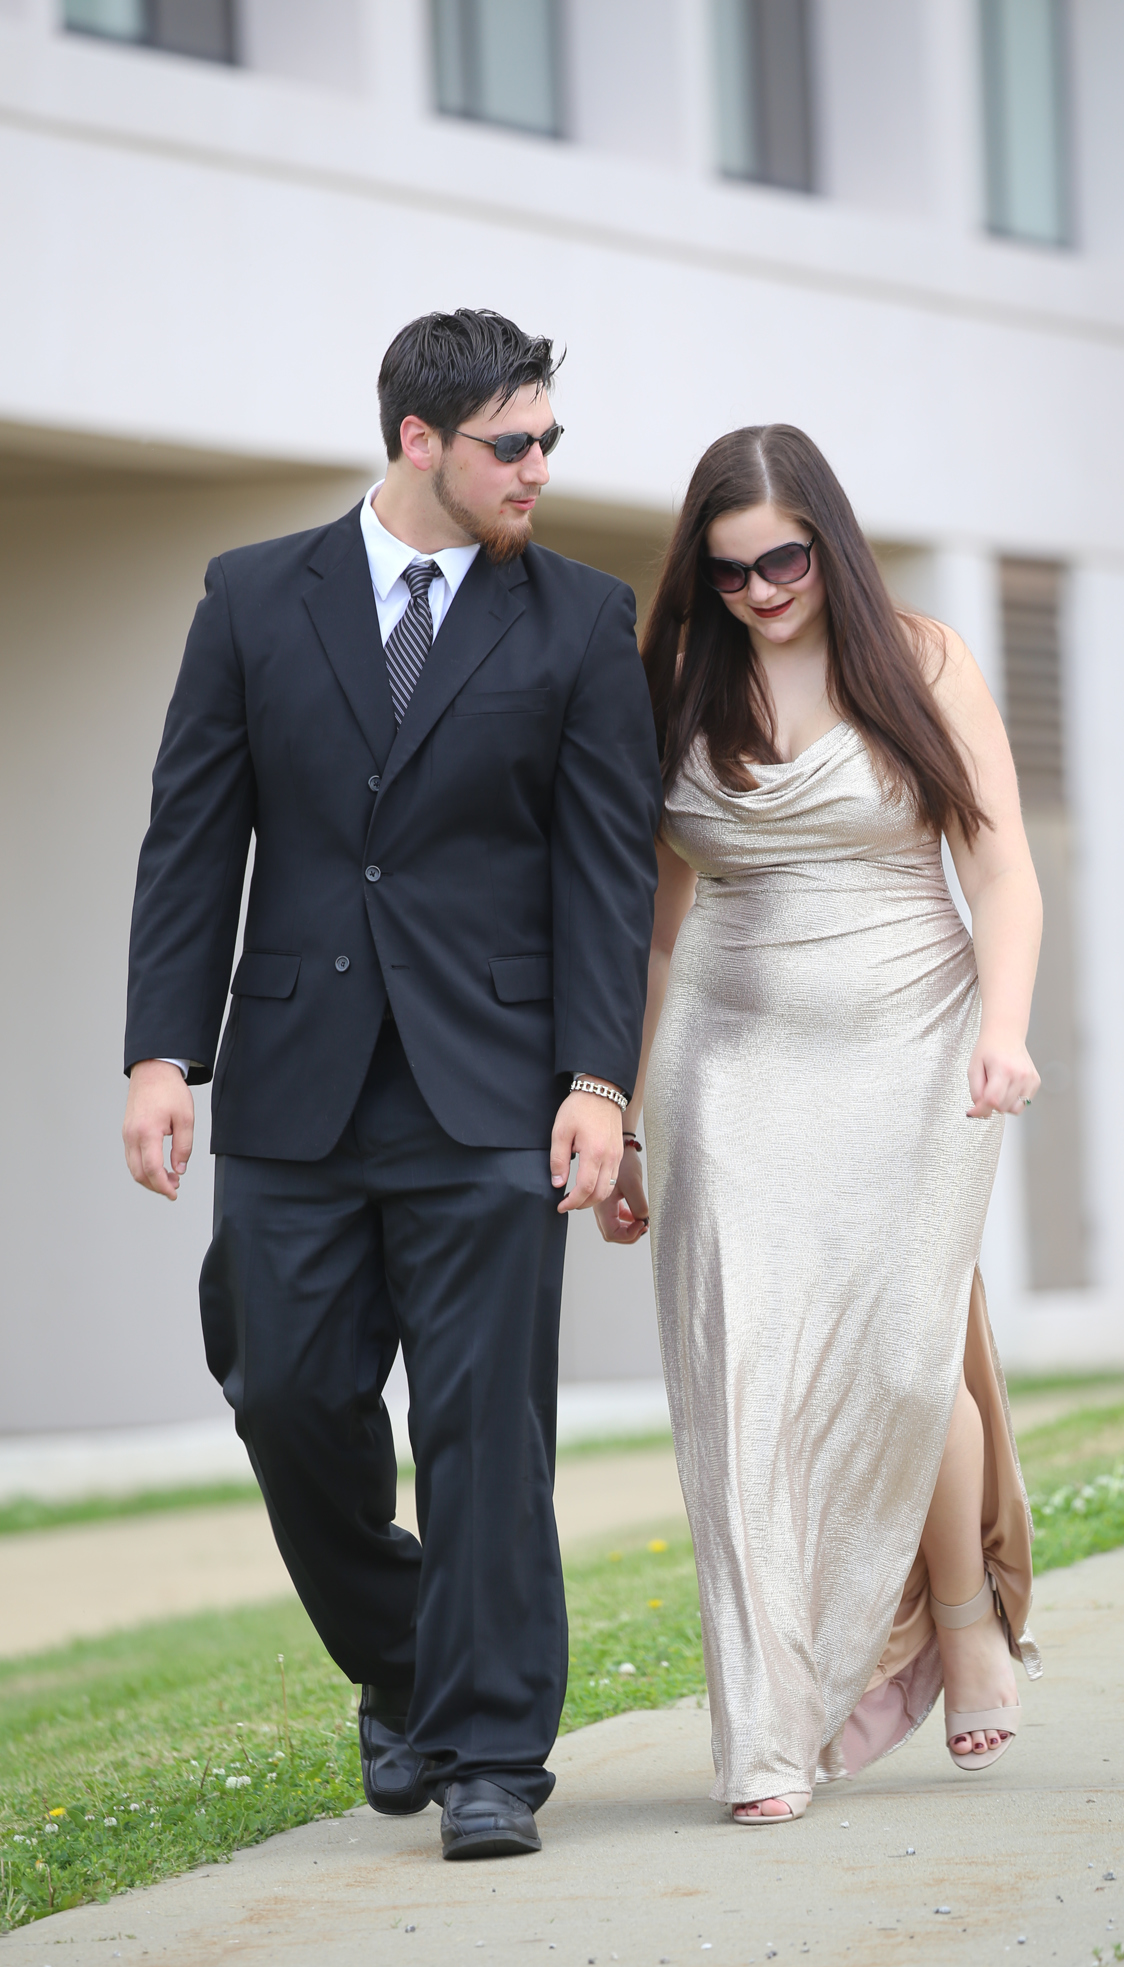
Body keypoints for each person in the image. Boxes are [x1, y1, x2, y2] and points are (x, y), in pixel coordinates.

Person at [121, 310, 661, 1860]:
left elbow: (605, 873)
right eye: (513, 445)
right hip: (295, 1082)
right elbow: (191, 838)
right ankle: (413, 1661)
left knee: (489, 1426)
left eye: (549, 441)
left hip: (493, 1090)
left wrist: (597, 1081)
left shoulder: (576, 620)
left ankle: (491, 1755)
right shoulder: (249, 599)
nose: (538, 470)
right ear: (418, 442)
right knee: (287, 1397)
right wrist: (163, 1052)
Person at [598, 424, 1043, 1824]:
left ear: (828, 543)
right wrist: (623, 1107)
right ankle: (767, 1738)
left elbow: (1001, 864)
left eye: (782, 559)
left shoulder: (917, 659)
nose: (759, 589)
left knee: (905, 1365)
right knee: (746, 1397)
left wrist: (1004, 1030)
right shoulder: (674, 682)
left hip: (916, 1042)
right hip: (727, 1061)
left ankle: (960, 1619)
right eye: (728, 571)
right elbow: (656, 935)